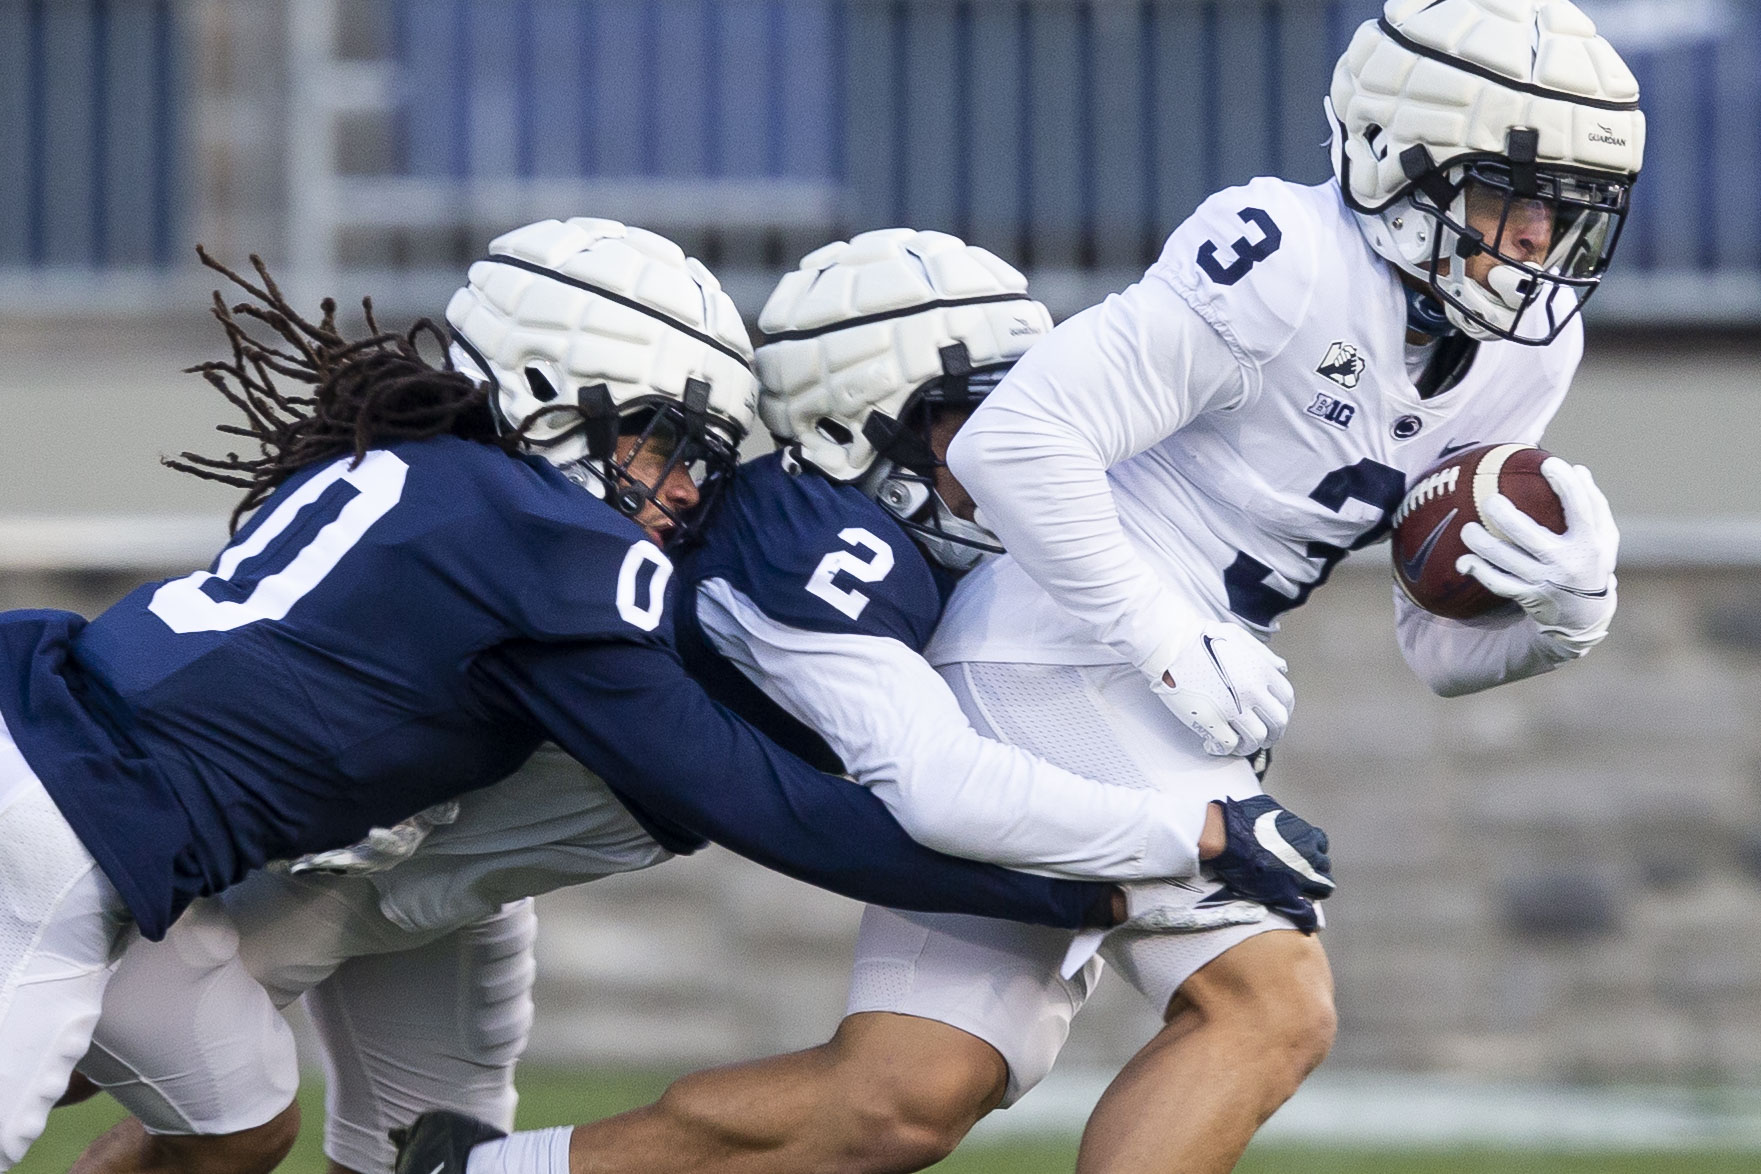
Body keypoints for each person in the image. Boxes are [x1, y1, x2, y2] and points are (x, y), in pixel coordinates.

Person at [401, 1, 1643, 1172]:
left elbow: (1434, 649)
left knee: (898, 1096)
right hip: (1063, 645)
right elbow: (1016, 443)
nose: (1537, 242)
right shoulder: (1285, 258)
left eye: (1566, 211)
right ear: (1390, 157)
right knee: (1270, 1006)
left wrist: (1563, 617)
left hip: (1143, 672)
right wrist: (1164, 635)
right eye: (1509, 195)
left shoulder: (1529, 351)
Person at [58, 225, 1330, 1174]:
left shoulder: (929, 558)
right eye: (973, 421)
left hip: (459, 891)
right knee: (176, 1102)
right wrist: (1145, 863)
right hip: (347, 861)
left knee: (400, 1143)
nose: (1018, 453)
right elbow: (854, 798)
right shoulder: (817, 541)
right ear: (862, 426)